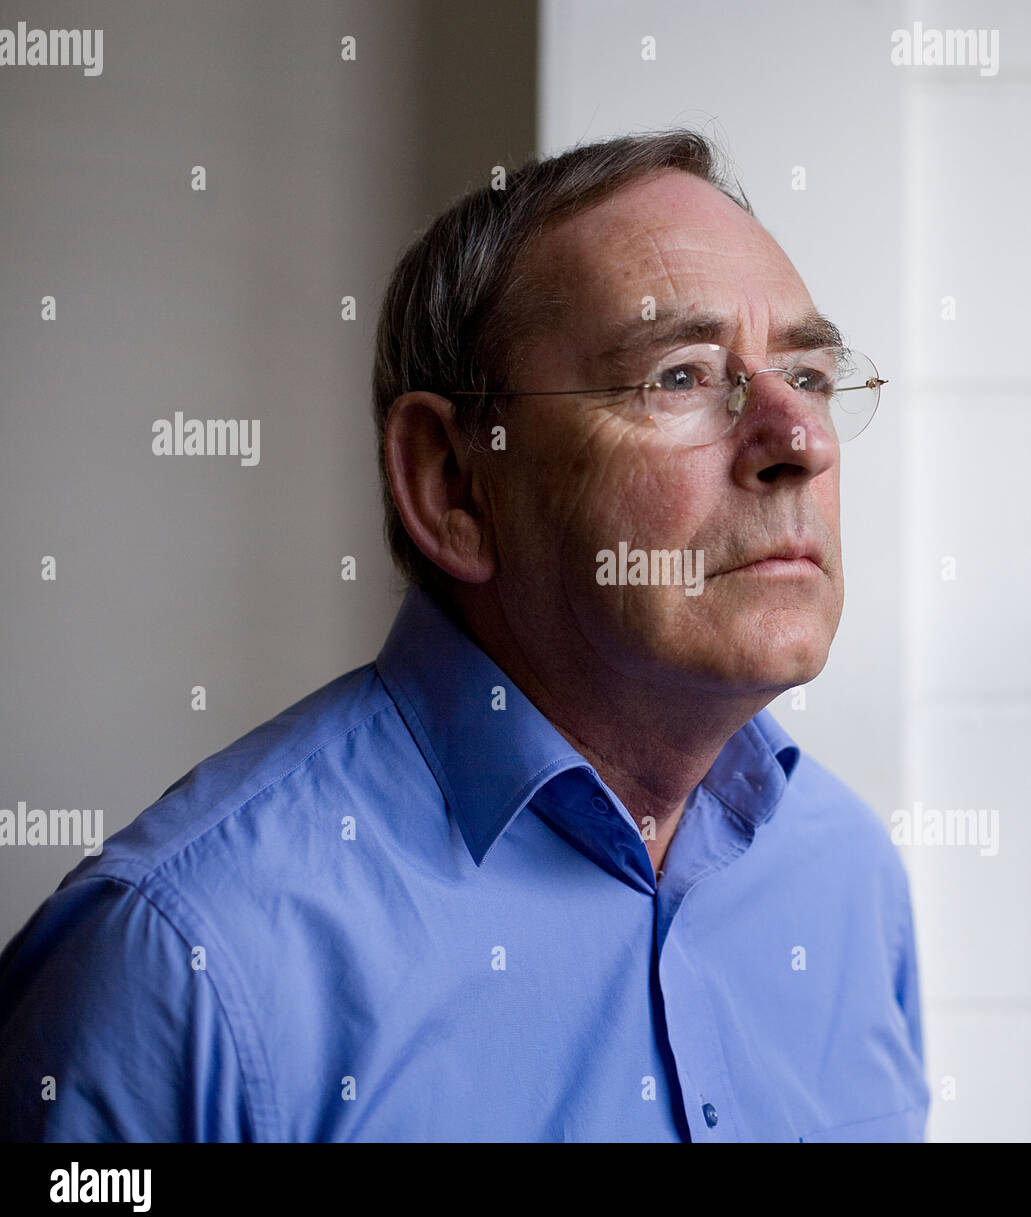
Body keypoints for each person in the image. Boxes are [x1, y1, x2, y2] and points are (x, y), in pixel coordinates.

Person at [0, 129, 929, 1142]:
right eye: (678, 376)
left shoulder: (845, 875)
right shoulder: (180, 961)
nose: (799, 440)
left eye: (809, 374)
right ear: (453, 484)